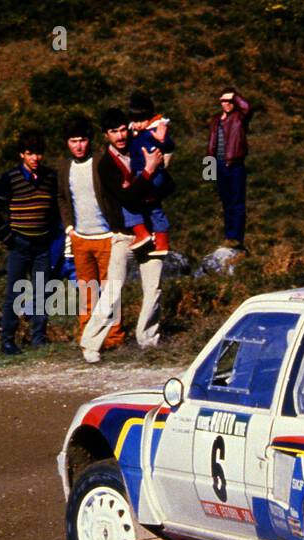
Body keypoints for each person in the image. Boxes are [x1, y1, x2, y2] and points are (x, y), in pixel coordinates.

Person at [57, 114, 135, 363]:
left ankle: (113, 338)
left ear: (89, 140)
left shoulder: (101, 162)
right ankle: (87, 335)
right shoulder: (63, 167)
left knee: (109, 289)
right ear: (67, 143)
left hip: (106, 236)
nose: (78, 145)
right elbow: (61, 198)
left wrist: (117, 230)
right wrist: (69, 227)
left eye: (82, 140)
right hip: (80, 237)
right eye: (73, 141)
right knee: (87, 291)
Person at [0, 129, 60, 354]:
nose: (35, 158)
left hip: (43, 245)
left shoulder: (50, 177)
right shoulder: (11, 178)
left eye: (38, 153)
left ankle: (39, 337)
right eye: (30, 153)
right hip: (20, 244)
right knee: (14, 293)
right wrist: (9, 238)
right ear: (21, 155)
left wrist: (53, 235)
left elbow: (55, 210)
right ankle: (7, 339)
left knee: (42, 291)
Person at [96, 107, 166, 349]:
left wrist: (155, 172)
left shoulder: (141, 148)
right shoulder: (105, 165)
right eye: (114, 131)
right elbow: (127, 200)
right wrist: (147, 171)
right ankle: (91, 342)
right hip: (124, 235)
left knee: (153, 288)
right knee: (113, 290)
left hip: (151, 230)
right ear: (106, 135)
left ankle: (148, 340)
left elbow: (168, 186)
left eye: (123, 129)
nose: (121, 135)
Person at [126, 92, 176, 254]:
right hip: (147, 173)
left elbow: (169, 145)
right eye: (135, 121)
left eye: (141, 120)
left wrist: (162, 140)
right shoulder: (136, 132)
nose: (138, 124)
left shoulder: (155, 129)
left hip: (151, 174)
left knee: (130, 200)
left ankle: (141, 233)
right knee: (154, 207)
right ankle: (162, 242)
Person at [207, 86, 251, 250]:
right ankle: (228, 236)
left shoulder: (239, 118)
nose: (227, 103)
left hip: (234, 165)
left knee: (237, 202)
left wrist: (235, 95)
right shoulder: (216, 120)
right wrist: (208, 172)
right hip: (218, 165)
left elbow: (247, 107)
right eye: (224, 100)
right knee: (226, 203)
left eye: (230, 100)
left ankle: (236, 238)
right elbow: (210, 145)